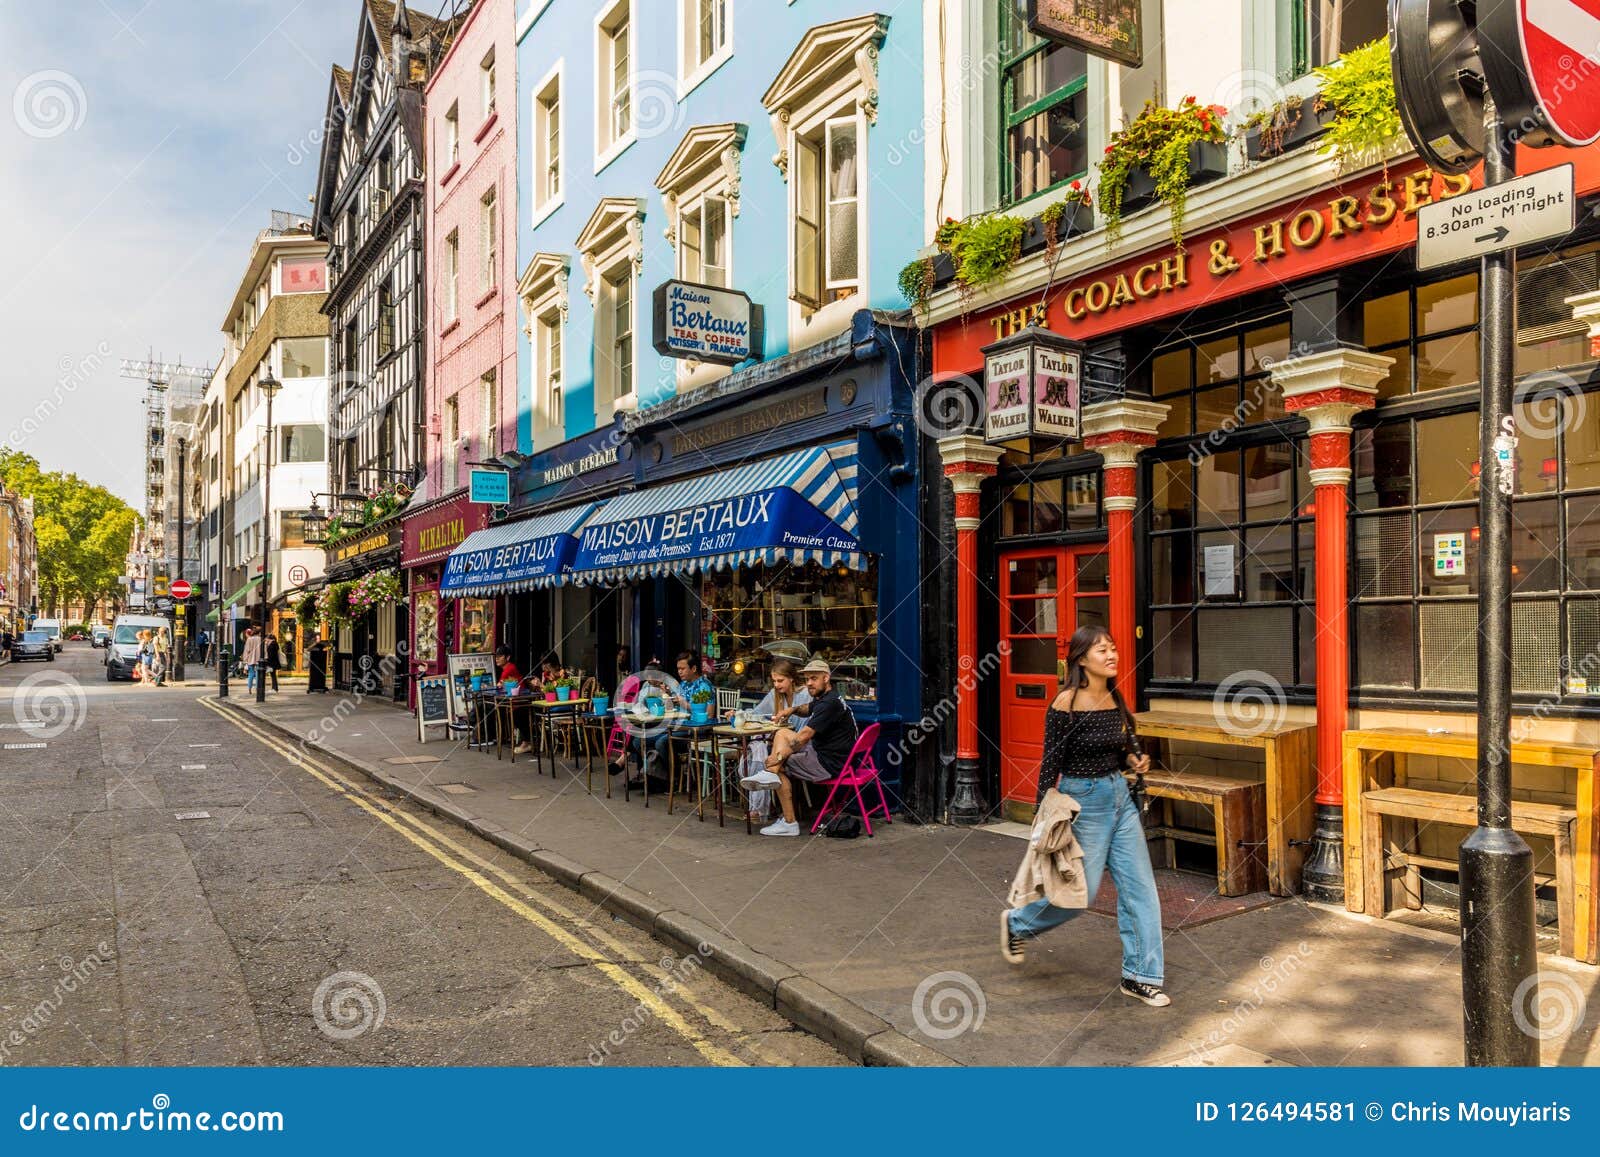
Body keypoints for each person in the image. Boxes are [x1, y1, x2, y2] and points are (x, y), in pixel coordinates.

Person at [999, 624, 1169, 1008]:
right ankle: (1018, 922)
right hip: (1083, 802)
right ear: (1080, 660)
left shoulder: (1114, 697)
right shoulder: (1065, 704)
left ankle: (1140, 975)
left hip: (1119, 799)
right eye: (1101, 651)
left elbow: (1121, 751)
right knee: (1080, 894)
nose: (1111, 656)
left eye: (1112, 648)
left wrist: (1133, 759)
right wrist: (1043, 816)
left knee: (1140, 889)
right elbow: (1050, 764)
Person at [744, 658, 858, 837]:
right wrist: (792, 710)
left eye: (814, 678)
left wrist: (779, 758)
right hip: (834, 758)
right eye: (807, 680)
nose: (809, 683)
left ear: (826, 678)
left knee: (776, 768)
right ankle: (770, 775)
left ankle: (789, 822)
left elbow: (803, 737)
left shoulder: (828, 704)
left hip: (828, 765)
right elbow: (807, 708)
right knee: (782, 734)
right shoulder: (828, 697)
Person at [739, 658, 810, 823]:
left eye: (780, 680)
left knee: (764, 754)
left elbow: (806, 730)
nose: (777, 685)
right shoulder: (775, 695)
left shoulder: (805, 695)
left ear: (792, 678)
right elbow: (758, 713)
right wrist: (739, 713)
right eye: (774, 681)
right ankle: (760, 806)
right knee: (757, 748)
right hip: (778, 743)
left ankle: (760, 808)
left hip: (798, 744)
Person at [241, 627, 262, 694]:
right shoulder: (261, 639)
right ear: (259, 633)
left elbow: (246, 650)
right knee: (258, 674)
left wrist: (245, 660)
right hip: (259, 660)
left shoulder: (249, 639)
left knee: (251, 674)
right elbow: (264, 650)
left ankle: (249, 688)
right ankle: (257, 688)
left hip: (250, 659)